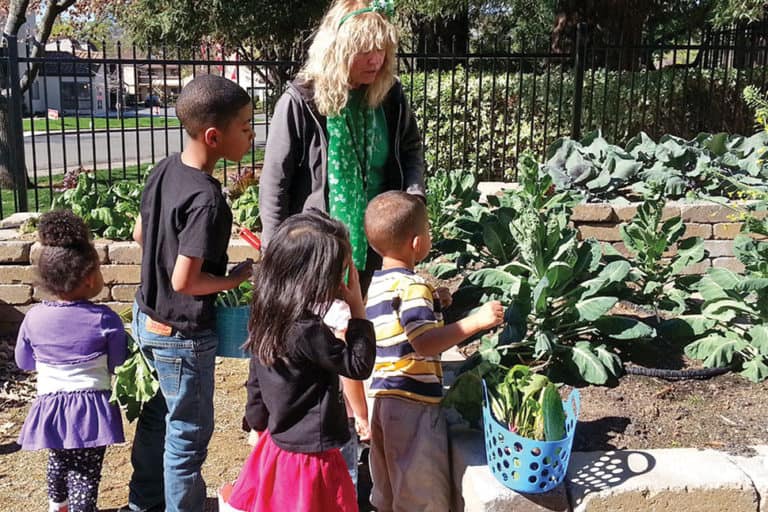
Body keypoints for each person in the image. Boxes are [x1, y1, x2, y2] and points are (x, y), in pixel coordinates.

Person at [125, 74, 254, 512]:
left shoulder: (166, 168)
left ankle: (144, 503)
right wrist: (235, 279)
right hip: (181, 335)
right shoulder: (207, 199)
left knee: (159, 418)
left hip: (146, 318)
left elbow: (141, 233)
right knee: (188, 435)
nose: (252, 136)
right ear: (215, 136)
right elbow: (186, 282)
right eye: (246, 127)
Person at [259, 0, 426, 294]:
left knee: (373, 327)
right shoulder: (301, 101)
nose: (376, 60)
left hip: (382, 241)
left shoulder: (390, 95)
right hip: (317, 248)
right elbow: (275, 183)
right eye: (364, 52)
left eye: (381, 49)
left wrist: (414, 200)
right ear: (336, 51)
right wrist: (274, 253)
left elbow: (411, 149)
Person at [364, 191, 505, 511]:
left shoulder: (379, 284)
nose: (431, 235)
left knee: (389, 489)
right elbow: (424, 343)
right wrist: (476, 322)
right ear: (416, 243)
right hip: (413, 404)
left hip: (384, 402)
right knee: (421, 494)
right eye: (428, 230)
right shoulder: (413, 286)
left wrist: (435, 302)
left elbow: (398, 327)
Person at [228, 211, 376, 512]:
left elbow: (255, 379)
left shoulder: (265, 316)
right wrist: (358, 308)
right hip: (314, 457)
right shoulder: (308, 331)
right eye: (339, 271)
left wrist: (256, 423)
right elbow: (358, 365)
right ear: (315, 278)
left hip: (277, 447)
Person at [15, 209, 126, 512]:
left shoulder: (33, 317)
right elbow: (118, 362)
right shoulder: (106, 319)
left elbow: (24, 362)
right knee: (86, 472)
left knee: (58, 459)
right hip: (90, 411)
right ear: (90, 278)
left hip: (50, 406)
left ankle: (57, 504)